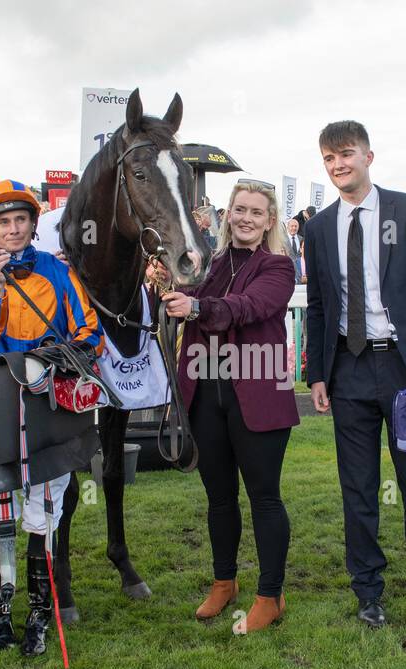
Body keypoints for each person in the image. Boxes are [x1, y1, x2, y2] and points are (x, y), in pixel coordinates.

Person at [304, 121, 406, 628]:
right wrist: (316, 374)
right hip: (347, 370)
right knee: (358, 487)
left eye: (346, 154)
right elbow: (320, 306)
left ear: (369, 155)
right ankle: (367, 589)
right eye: (329, 158)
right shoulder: (319, 228)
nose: (338, 164)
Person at [0, 180, 100, 654]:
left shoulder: (58, 272)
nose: (13, 229)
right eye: (3, 222)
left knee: (45, 509)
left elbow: (89, 332)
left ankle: (40, 612)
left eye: (20, 220)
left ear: (33, 225)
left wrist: (54, 359)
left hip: (46, 403)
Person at [162, 181, 299, 633]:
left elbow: (247, 307)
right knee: (219, 498)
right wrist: (166, 285)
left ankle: (270, 594)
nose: (245, 218)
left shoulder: (279, 266)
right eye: (239, 209)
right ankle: (224, 583)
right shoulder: (212, 264)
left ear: (269, 221)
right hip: (206, 394)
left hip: (258, 394)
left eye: (256, 212)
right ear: (228, 214)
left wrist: (197, 305)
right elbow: (185, 294)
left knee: (264, 497)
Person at [283, 217, 303, 282]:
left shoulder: (302, 239)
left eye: (296, 226)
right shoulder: (282, 239)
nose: (294, 228)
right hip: (286, 271)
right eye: (292, 226)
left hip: (300, 274)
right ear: (287, 227)